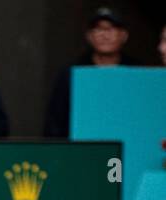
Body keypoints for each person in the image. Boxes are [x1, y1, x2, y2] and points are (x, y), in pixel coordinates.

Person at [43, 7, 139, 139]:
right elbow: (55, 123)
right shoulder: (72, 74)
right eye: (98, 29)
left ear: (123, 35)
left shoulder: (136, 72)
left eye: (110, 29)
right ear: (89, 36)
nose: (104, 35)